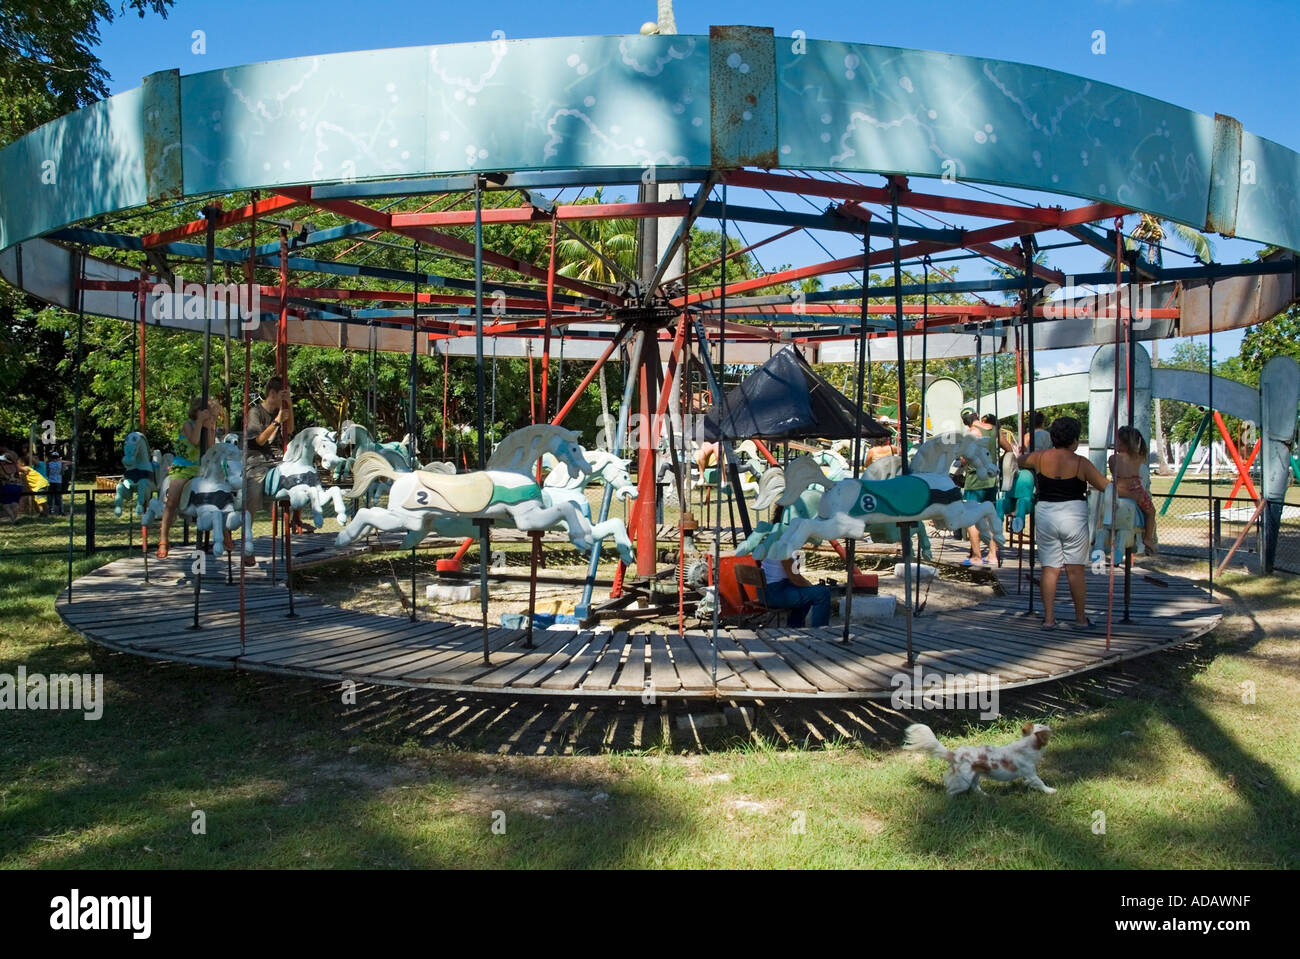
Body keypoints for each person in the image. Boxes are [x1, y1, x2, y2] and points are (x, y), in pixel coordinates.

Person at [1018, 416, 1109, 629]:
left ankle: (1049, 619)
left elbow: (1020, 460)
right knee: (1075, 570)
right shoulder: (1081, 463)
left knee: (1050, 569)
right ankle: (1080, 618)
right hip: (1074, 515)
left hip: (1046, 513)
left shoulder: (1039, 458)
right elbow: (1104, 486)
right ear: (1075, 440)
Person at [157, 396, 224, 559]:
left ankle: (225, 533)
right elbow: (194, 441)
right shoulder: (188, 425)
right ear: (199, 412)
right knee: (172, 497)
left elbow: (208, 448)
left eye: (214, 417)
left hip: (200, 468)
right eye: (211, 416)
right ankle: (164, 537)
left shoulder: (209, 428)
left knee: (221, 491)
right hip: (184, 467)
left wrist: (209, 429)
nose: (213, 420)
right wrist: (201, 422)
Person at [960, 409, 1012, 566]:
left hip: (975, 480)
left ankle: (976, 556)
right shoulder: (995, 430)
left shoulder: (971, 433)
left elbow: (964, 460)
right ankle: (993, 555)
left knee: (971, 518)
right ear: (976, 416)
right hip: (991, 479)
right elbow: (1009, 449)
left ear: (966, 421)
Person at [759, 517, 832, 626]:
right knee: (822, 593)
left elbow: (795, 573)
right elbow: (795, 579)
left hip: (766, 591)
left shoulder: (774, 540)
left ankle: (795, 626)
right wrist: (812, 587)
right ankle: (820, 633)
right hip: (775, 593)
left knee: (808, 593)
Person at [1109, 425, 1157, 553]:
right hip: (1135, 491)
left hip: (1118, 491)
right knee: (1151, 512)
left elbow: (1116, 475)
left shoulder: (1113, 459)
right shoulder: (1138, 458)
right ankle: (1148, 538)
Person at [45, 450, 64, 516]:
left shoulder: (49, 464)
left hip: (50, 481)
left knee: (50, 496)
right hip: (58, 482)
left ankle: (50, 510)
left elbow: (47, 473)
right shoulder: (61, 463)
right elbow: (62, 472)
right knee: (58, 496)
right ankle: (60, 511)